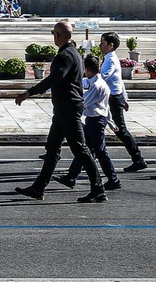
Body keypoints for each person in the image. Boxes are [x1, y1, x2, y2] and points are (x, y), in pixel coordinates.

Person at [13, 21, 105, 204]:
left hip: (68, 108)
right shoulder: (73, 52)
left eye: (53, 33)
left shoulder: (65, 55)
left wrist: (28, 93)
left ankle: (98, 188)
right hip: (64, 107)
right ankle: (38, 187)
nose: (53, 36)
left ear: (58, 35)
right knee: (53, 147)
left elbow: (53, 79)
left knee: (80, 148)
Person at [54, 54, 121, 192]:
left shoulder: (97, 86)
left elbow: (83, 102)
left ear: (87, 69)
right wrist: (111, 122)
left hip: (95, 121)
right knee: (84, 151)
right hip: (95, 120)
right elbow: (105, 106)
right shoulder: (98, 83)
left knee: (99, 152)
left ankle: (113, 179)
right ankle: (71, 177)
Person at [97, 31, 147, 172]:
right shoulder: (110, 58)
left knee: (120, 130)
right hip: (114, 96)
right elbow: (118, 80)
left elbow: (103, 77)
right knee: (101, 128)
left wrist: (86, 80)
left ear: (111, 45)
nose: (100, 45)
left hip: (113, 98)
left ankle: (138, 159)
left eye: (102, 43)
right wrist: (124, 98)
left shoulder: (111, 60)